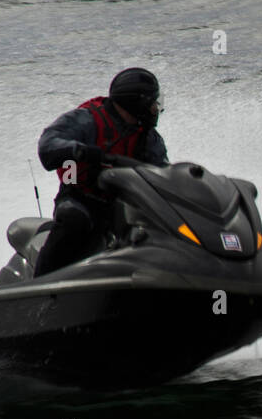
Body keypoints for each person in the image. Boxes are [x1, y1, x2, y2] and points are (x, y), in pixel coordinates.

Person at [34, 67, 168, 276]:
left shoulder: (149, 138)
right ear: (136, 102)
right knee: (74, 219)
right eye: (152, 102)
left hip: (122, 204)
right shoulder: (87, 119)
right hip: (80, 197)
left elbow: (162, 173)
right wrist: (82, 151)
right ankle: (39, 285)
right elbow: (48, 145)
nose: (155, 108)